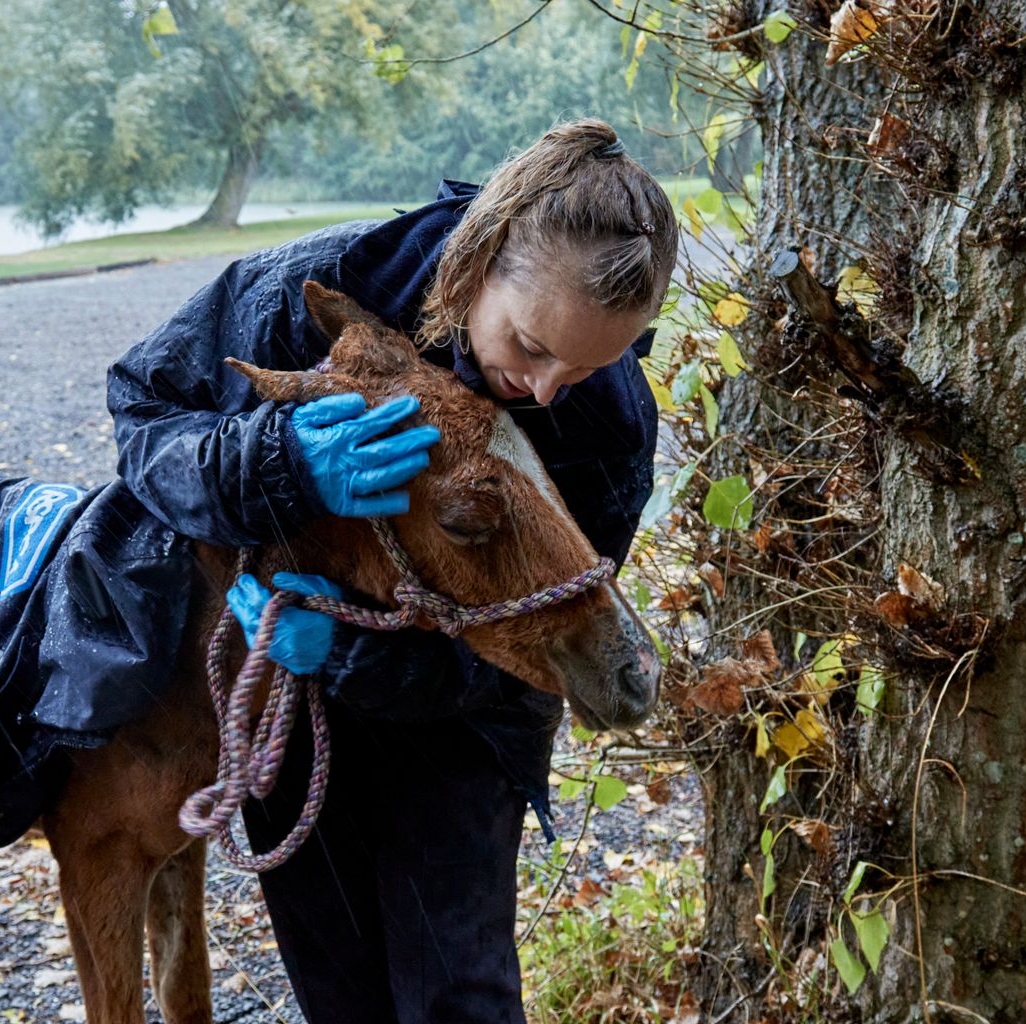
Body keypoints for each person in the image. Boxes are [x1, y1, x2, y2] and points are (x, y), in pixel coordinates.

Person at [104, 118, 680, 1023]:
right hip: (293, 705)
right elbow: (144, 411)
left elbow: (554, 625)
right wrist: (278, 463)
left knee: (458, 992)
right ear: (479, 257)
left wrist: (348, 653)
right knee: (337, 989)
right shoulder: (315, 292)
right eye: (530, 347)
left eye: (588, 365)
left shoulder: (605, 425)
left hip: (464, 717)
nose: (543, 390)